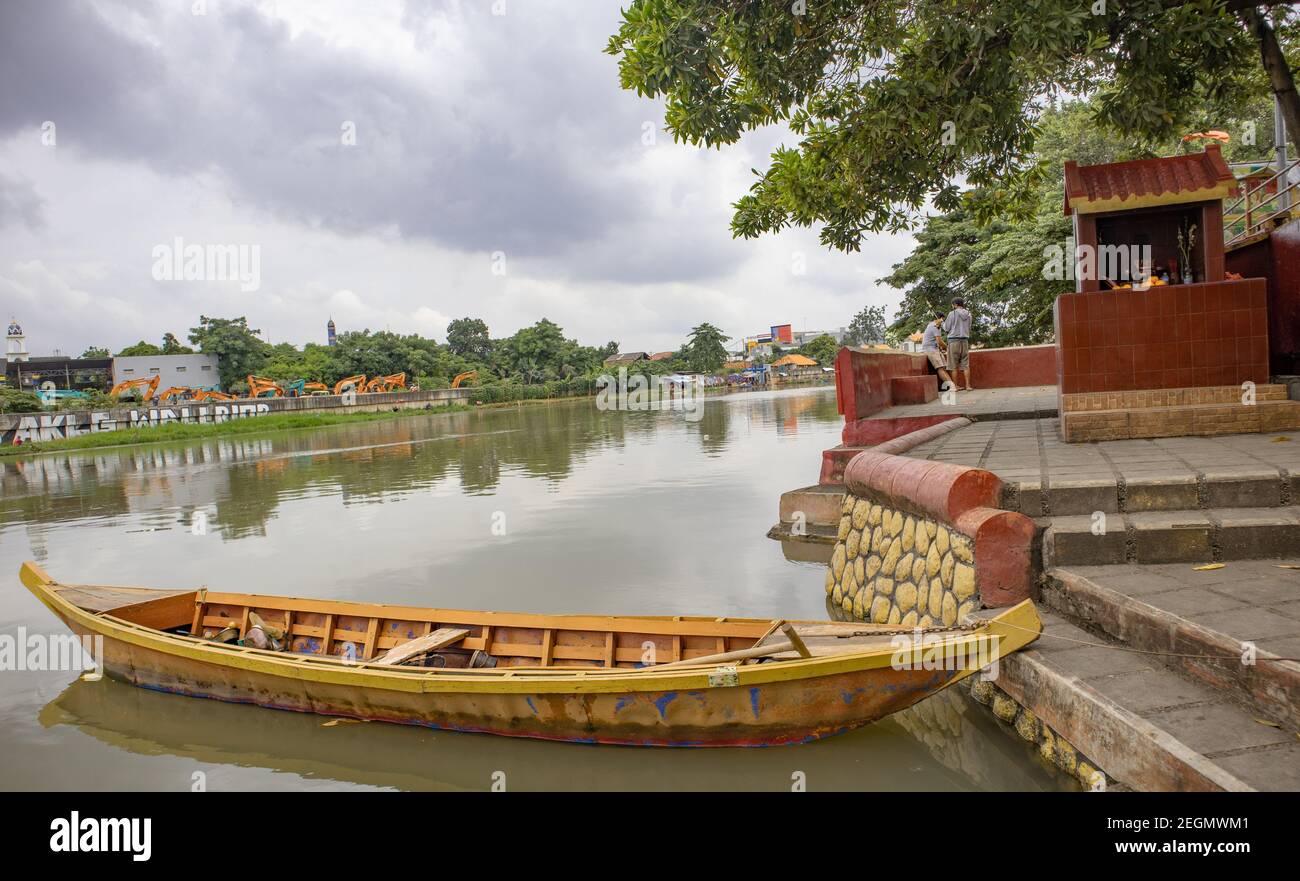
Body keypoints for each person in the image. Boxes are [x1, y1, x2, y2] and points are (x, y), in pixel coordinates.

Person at [941, 298, 974, 391]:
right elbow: (969, 327)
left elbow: (946, 328)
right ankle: (968, 386)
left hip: (953, 341)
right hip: (964, 341)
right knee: (965, 365)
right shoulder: (969, 314)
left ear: (955, 304)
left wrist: (942, 323)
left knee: (953, 365)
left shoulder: (952, 313)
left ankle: (955, 386)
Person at [921, 312, 954, 391]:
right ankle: (952, 387)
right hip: (930, 349)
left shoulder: (933, 325)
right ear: (940, 319)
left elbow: (937, 342)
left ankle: (953, 385)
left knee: (944, 367)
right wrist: (948, 348)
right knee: (940, 368)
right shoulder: (935, 326)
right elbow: (939, 341)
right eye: (943, 319)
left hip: (934, 348)